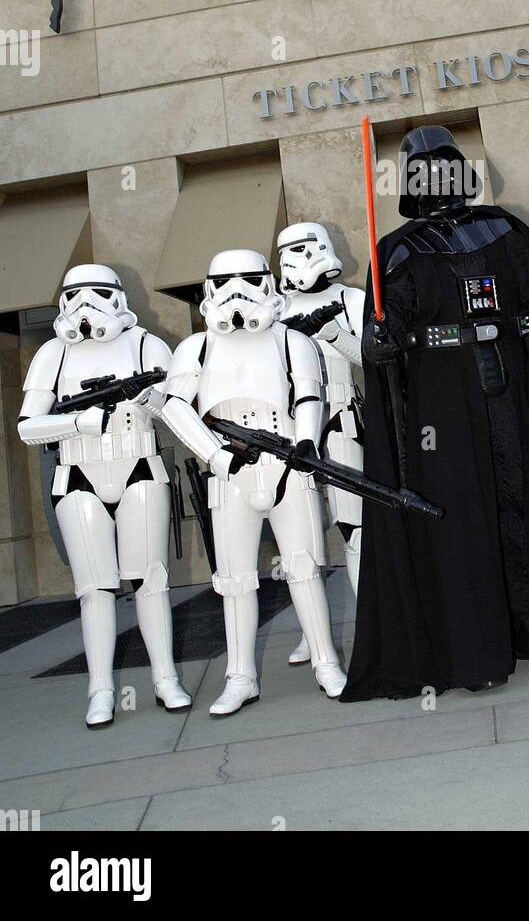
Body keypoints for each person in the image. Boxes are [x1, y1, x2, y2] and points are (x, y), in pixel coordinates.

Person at [340, 125, 529, 702]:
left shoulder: (506, 230)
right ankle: (476, 649)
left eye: (446, 163)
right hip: (443, 404)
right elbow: (386, 340)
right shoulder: (399, 251)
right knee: (463, 518)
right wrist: (379, 342)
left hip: (515, 386)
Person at [141, 249, 347, 715]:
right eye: (227, 282)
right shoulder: (196, 348)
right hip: (229, 472)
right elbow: (175, 406)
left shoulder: (292, 341)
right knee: (234, 581)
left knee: (304, 567)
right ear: (210, 290)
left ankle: (325, 662)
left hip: (286, 461)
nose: (239, 293)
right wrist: (214, 455)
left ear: (267, 282)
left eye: (249, 280)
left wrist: (307, 443)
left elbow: (309, 394)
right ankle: (240, 676)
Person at [18, 265, 191, 728]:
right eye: (74, 294)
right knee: (94, 591)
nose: (85, 304)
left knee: (151, 581)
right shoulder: (52, 354)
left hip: (139, 468)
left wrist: (152, 401)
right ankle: (100, 690)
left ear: (116, 297)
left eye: (96, 293)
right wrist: (79, 422)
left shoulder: (145, 345)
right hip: (78, 476)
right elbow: (27, 427)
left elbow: (179, 410)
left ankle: (164, 678)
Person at [277, 221, 366, 666]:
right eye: (287, 251)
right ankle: (312, 633)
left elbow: (375, 355)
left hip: (343, 416)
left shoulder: (351, 299)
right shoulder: (272, 308)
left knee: (355, 527)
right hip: (292, 428)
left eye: (303, 248)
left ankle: (370, 621)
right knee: (301, 540)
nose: (295, 258)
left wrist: (335, 336)